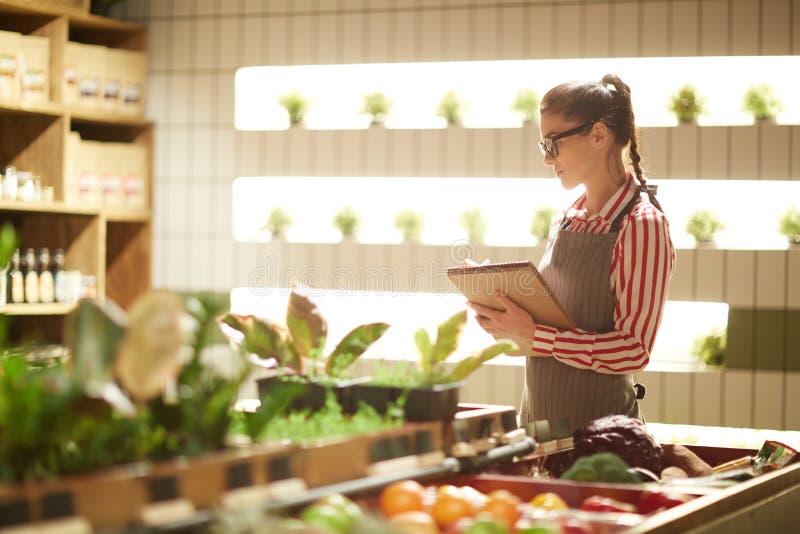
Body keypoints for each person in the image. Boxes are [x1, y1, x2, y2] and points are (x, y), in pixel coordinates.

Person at [468, 74, 675, 433]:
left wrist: (538, 337)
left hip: (605, 439)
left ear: (598, 135)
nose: (548, 159)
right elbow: (553, 328)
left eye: (554, 144)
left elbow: (633, 350)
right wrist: (503, 315)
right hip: (542, 431)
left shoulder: (642, 225)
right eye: (542, 145)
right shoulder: (568, 219)